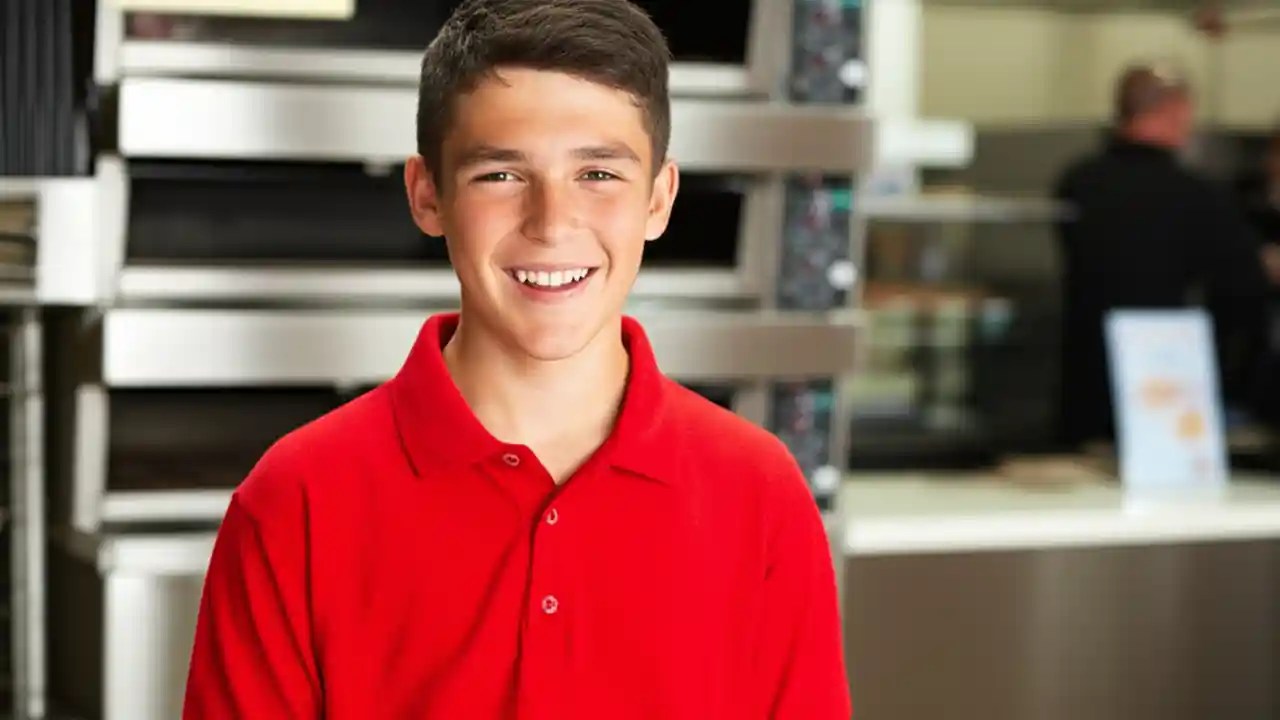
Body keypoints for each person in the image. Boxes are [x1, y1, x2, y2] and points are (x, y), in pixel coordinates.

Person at [181, 1, 852, 718]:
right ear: (426, 194)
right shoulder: (295, 501)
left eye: (598, 174)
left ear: (659, 200)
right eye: (501, 175)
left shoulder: (760, 495)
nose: (552, 221)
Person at [1054, 63, 1271, 448]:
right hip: (1166, 386)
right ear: (1177, 111)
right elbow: (1243, 290)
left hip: (1082, 383)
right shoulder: (1197, 197)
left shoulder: (1076, 183)